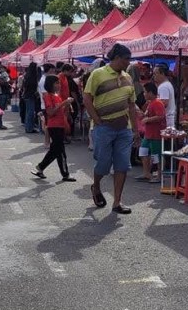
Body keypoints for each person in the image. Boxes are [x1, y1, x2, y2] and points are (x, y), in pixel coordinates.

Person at [83, 43, 137, 214]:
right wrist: (97, 119)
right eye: (126, 59)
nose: (128, 62)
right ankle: (96, 186)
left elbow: (132, 104)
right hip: (104, 127)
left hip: (124, 129)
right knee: (103, 164)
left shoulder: (128, 77)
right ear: (117, 58)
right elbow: (87, 98)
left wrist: (135, 130)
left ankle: (117, 202)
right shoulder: (98, 74)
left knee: (122, 165)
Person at [32, 75, 76, 182]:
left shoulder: (57, 95)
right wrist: (63, 103)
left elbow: (59, 110)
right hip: (54, 126)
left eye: (59, 83)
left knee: (57, 151)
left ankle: (41, 167)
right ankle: (63, 174)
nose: (59, 85)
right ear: (50, 84)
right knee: (59, 151)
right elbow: (50, 112)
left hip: (60, 125)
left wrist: (67, 105)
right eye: (56, 83)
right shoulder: (48, 96)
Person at [137, 82, 165, 183]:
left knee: (156, 155)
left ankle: (159, 176)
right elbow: (146, 116)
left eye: (145, 92)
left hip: (155, 134)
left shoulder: (157, 103)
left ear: (150, 93)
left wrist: (147, 120)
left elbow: (160, 116)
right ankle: (146, 173)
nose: (144, 94)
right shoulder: (150, 103)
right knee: (143, 152)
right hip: (148, 134)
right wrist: (142, 116)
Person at [153, 64, 176, 129]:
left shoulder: (164, 86)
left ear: (162, 74)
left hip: (167, 118)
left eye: (155, 74)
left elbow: (164, 103)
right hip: (169, 117)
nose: (154, 76)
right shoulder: (166, 84)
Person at [22, 62, 41, 134]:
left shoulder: (27, 76)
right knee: (30, 112)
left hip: (27, 95)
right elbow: (33, 88)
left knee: (28, 112)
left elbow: (25, 86)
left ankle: (28, 127)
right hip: (31, 96)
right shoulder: (33, 77)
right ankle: (29, 128)